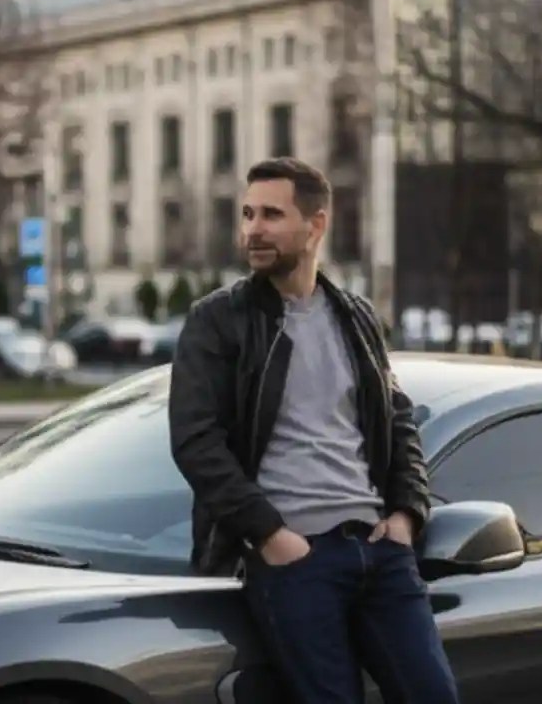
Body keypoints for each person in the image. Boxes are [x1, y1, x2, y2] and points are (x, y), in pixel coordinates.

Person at [168, 157, 459, 703]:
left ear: (315, 224)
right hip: (297, 562)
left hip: (380, 553)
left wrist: (405, 514)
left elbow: (398, 420)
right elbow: (195, 441)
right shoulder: (217, 320)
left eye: (272, 215)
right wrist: (271, 537)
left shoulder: (356, 317)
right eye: (248, 214)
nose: (254, 229)